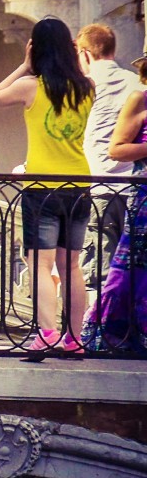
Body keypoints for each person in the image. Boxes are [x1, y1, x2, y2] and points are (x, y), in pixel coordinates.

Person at [0, 17, 94, 358]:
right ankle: (75, 339)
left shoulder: (30, 86)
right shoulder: (87, 87)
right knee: (71, 267)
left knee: (39, 263)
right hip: (79, 184)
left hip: (42, 187)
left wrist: (24, 65)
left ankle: (47, 335)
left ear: (36, 49)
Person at [81, 55, 147, 354]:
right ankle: (115, 335)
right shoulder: (140, 99)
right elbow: (116, 149)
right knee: (129, 272)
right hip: (144, 199)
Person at [75, 23, 141, 299]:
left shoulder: (84, 86)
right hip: (134, 187)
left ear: (85, 54)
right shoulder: (135, 83)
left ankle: (98, 322)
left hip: (99, 186)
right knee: (132, 269)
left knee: (97, 271)